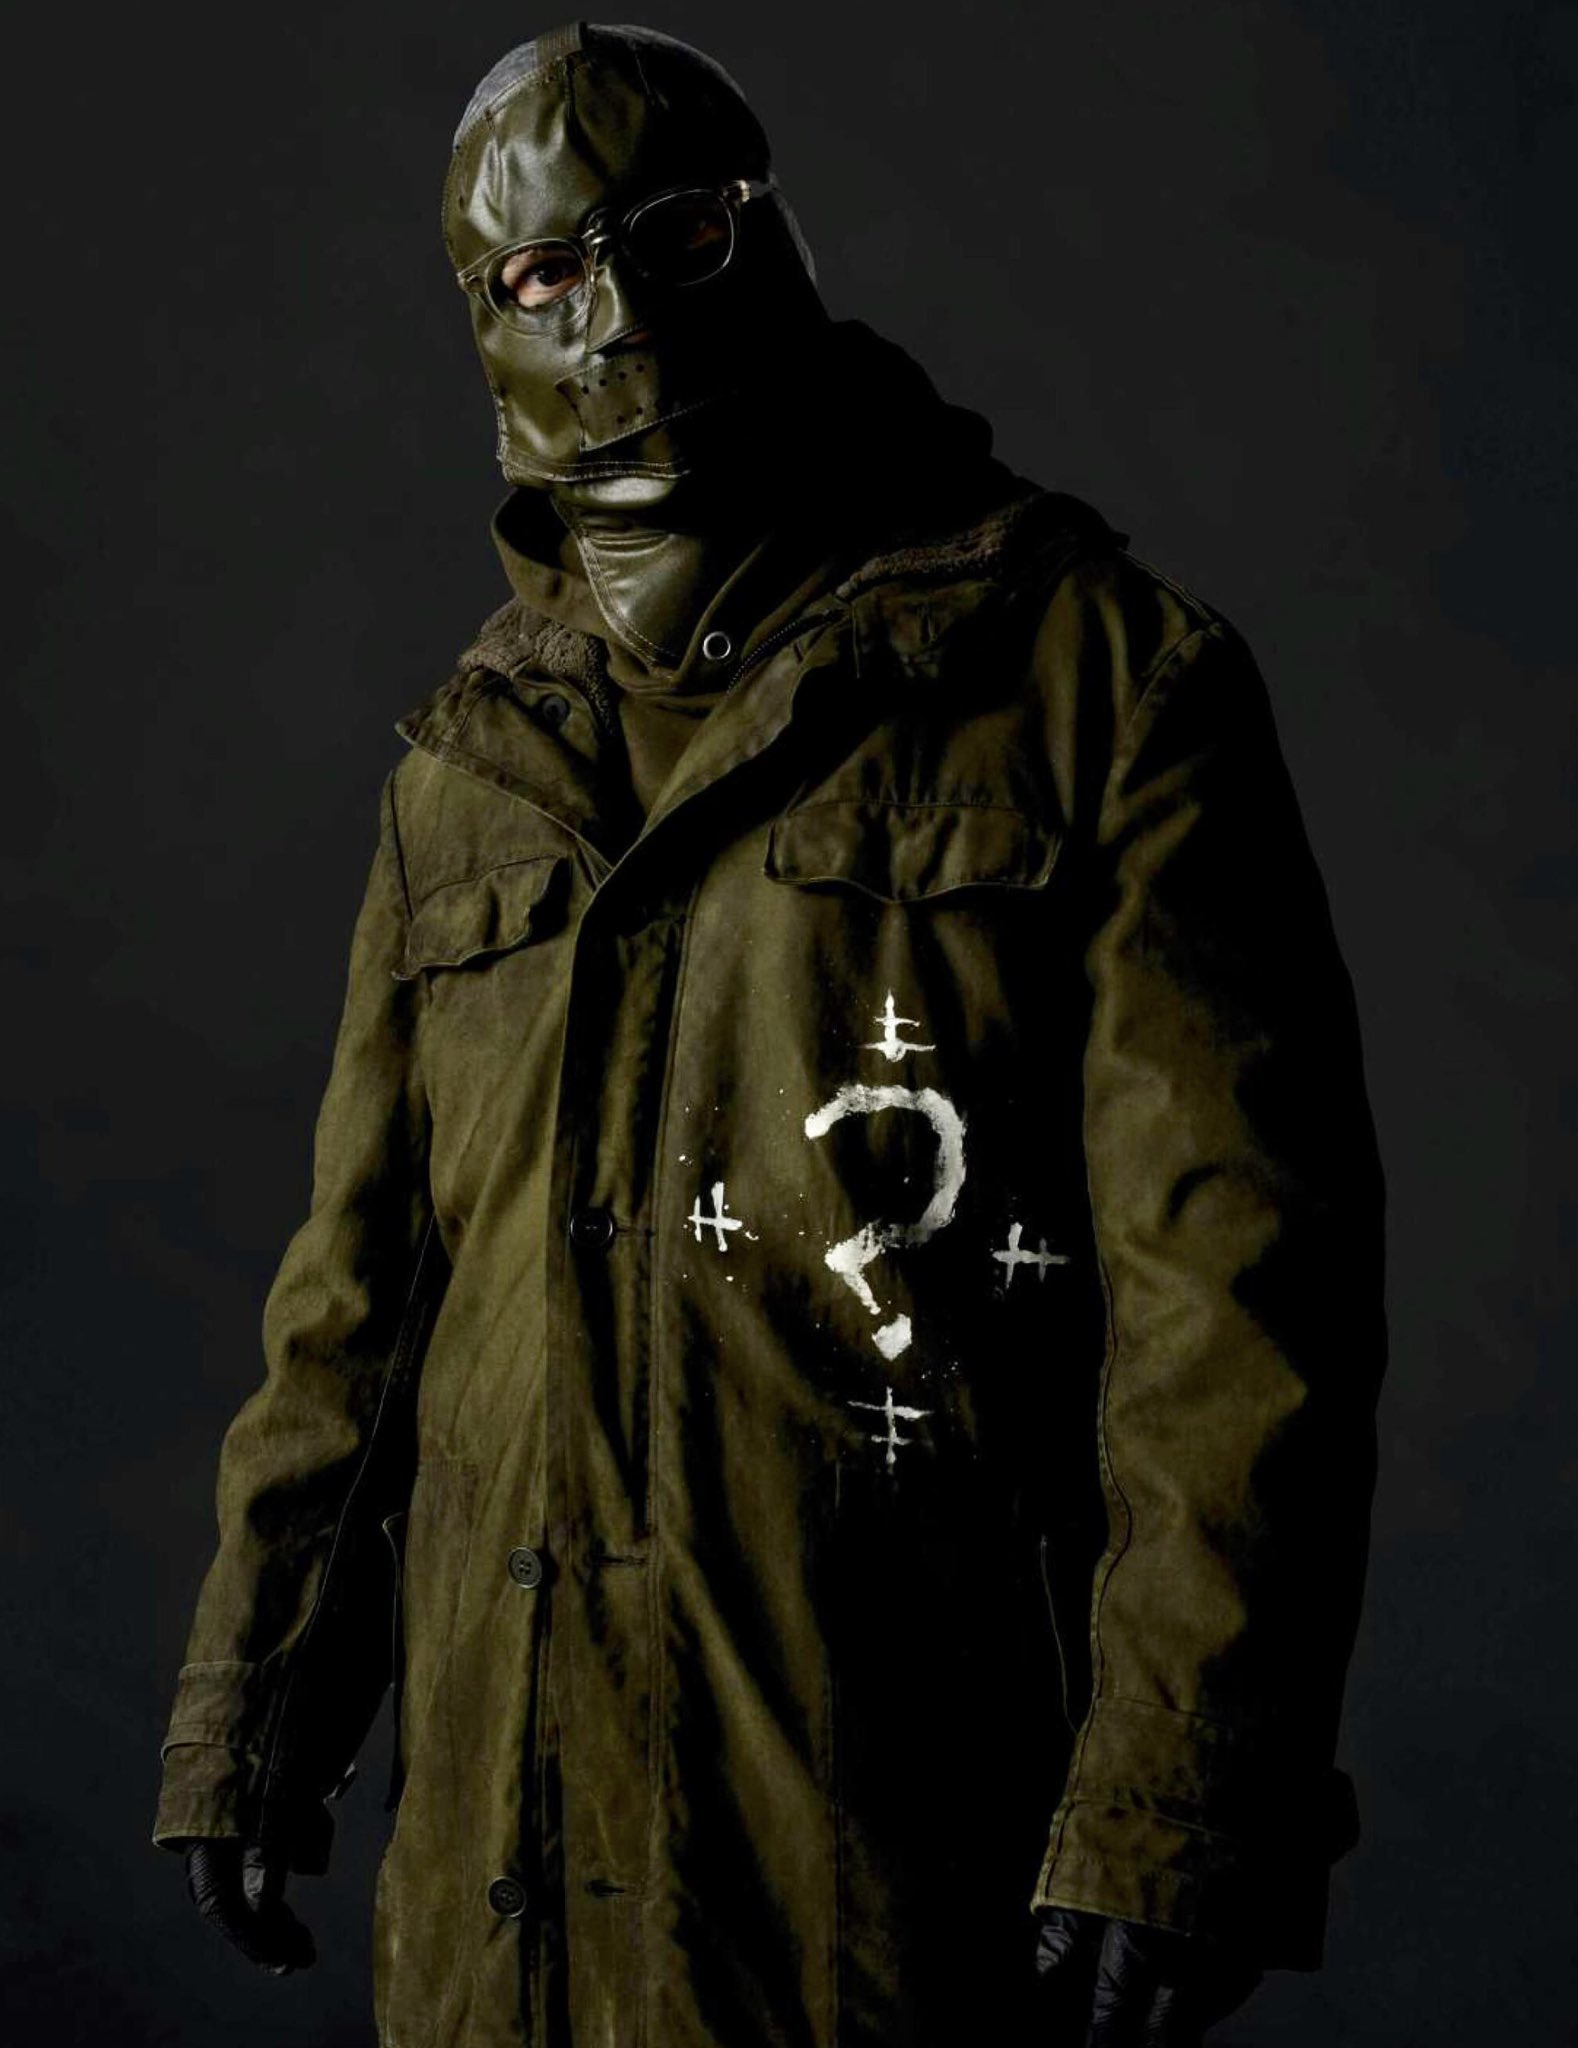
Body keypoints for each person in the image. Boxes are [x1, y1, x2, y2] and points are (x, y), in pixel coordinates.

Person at [150, 24, 1387, 2048]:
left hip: (881, 1860)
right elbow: (360, 1298)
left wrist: (1184, 1789)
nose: (621, 311)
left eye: (677, 235)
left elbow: (1237, 1300)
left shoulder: (1091, 684)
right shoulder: (470, 765)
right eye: (547, 270)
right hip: (496, 1885)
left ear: (768, 228)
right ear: (486, 312)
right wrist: (256, 1696)